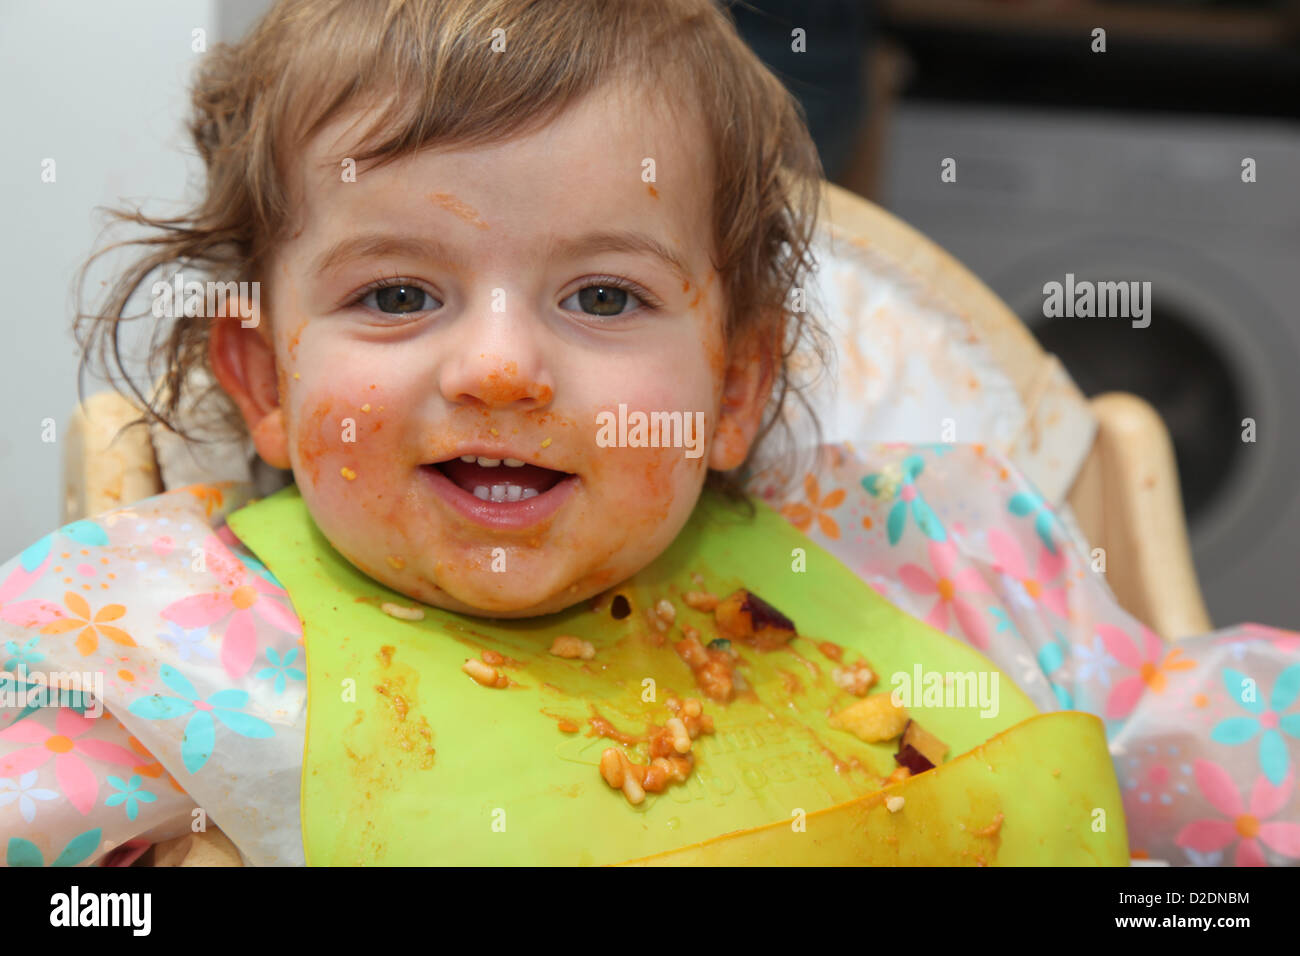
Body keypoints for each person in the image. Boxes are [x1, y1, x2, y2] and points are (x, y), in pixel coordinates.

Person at [1, 0, 1296, 867]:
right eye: (397, 295)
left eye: (604, 296)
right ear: (263, 380)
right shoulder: (167, 636)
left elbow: (1199, 744)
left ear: (735, 386)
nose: (502, 368)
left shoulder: (927, 556)